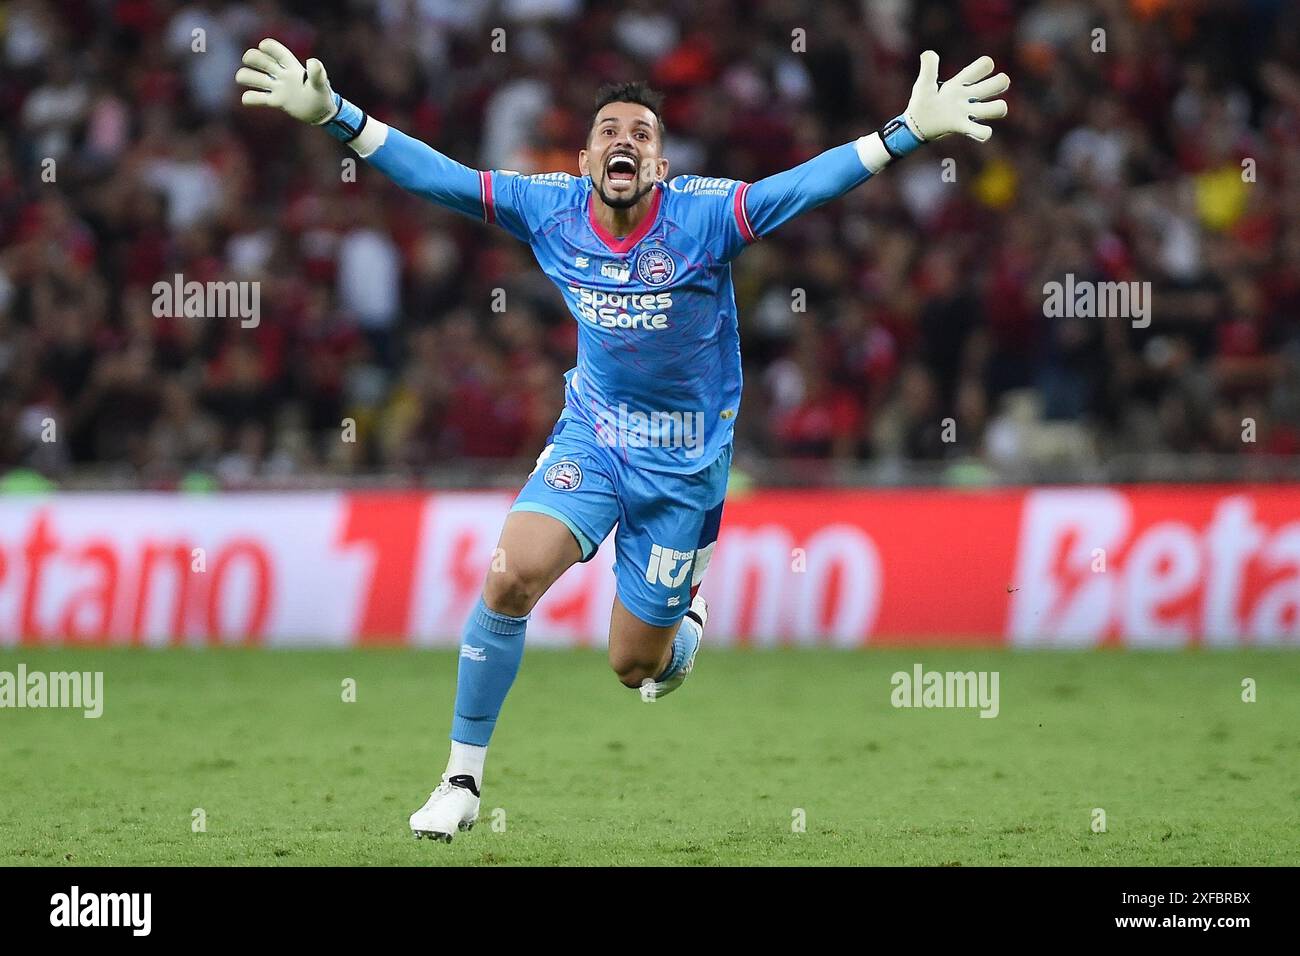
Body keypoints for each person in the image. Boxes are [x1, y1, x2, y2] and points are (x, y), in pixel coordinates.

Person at [235, 39, 1010, 841]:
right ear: (583, 158)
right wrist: (336, 115)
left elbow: (801, 187)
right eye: (609, 131)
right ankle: (460, 780)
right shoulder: (551, 207)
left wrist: (905, 131)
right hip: (594, 439)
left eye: (642, 134)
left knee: (635, 666)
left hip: (684, 468)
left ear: (661, 165)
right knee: (507, 581)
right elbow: (445, 180)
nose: (624, 143)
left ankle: (684, 630)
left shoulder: (705, 218)